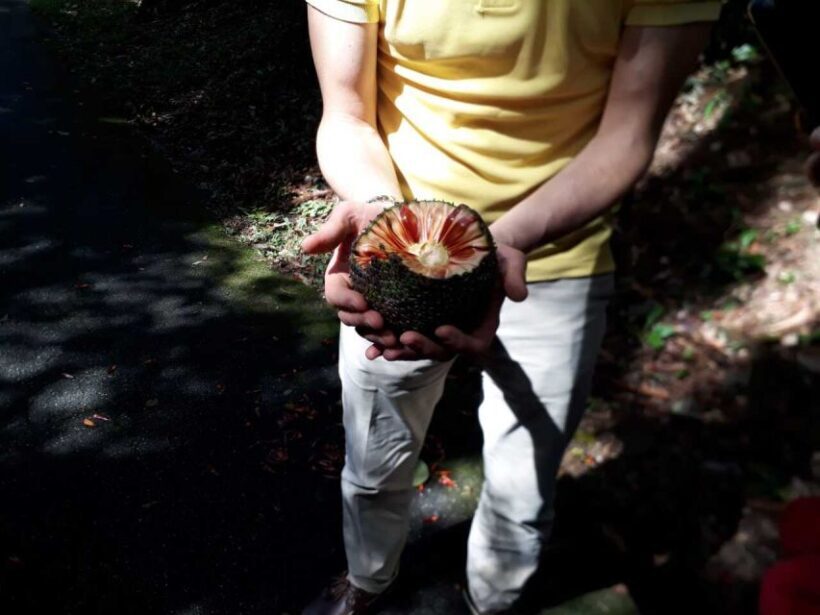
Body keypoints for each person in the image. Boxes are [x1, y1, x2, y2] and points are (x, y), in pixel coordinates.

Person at [300, 1, 720, 613]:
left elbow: (628, 135)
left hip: (559, 260)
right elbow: (346, 117)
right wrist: (385, 217)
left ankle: (490, 602)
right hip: (403, 263)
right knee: (374, 456)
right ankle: (368, 580)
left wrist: (508, 241)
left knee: (525, 483)